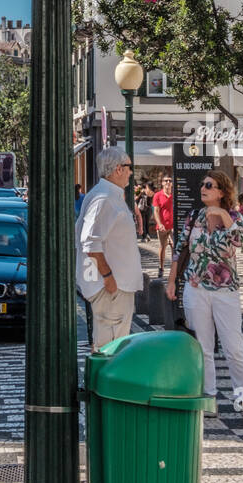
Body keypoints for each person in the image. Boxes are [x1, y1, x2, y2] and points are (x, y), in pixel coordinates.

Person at [166, 169, 243, 418]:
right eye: (202, 185)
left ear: (221, 191)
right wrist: (172, 281)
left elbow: (239, 242)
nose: (203, 188)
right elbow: (180, 250)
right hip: (195, 288)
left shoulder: (235, 217)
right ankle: (209, 398)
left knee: (234, 347)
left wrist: (222, 215)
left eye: (209, 185)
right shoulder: (193, 216)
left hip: (225, 291)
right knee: (203, 348)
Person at [75, 146, 142, 350]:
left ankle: (102, 382)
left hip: (114, 287)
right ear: (118, 169)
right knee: (110, 348)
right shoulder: (104, 198)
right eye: (130, 167)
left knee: (112, 346)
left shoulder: (106, 195)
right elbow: (90, 242)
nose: (132, 172)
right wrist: (108, 277)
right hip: (111, 289)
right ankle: (101, 383)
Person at [153, 174, 174, 275]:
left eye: (170, 181)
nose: (168, 183)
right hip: (162, 227)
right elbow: (156, 211)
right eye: (166, 181)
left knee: (174, 246)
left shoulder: (175, 195)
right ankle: (161, 267)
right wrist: (159, 224)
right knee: (163, 246)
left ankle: (175, 269)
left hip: (173, 226)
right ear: (162, 183)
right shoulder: (157, 195)